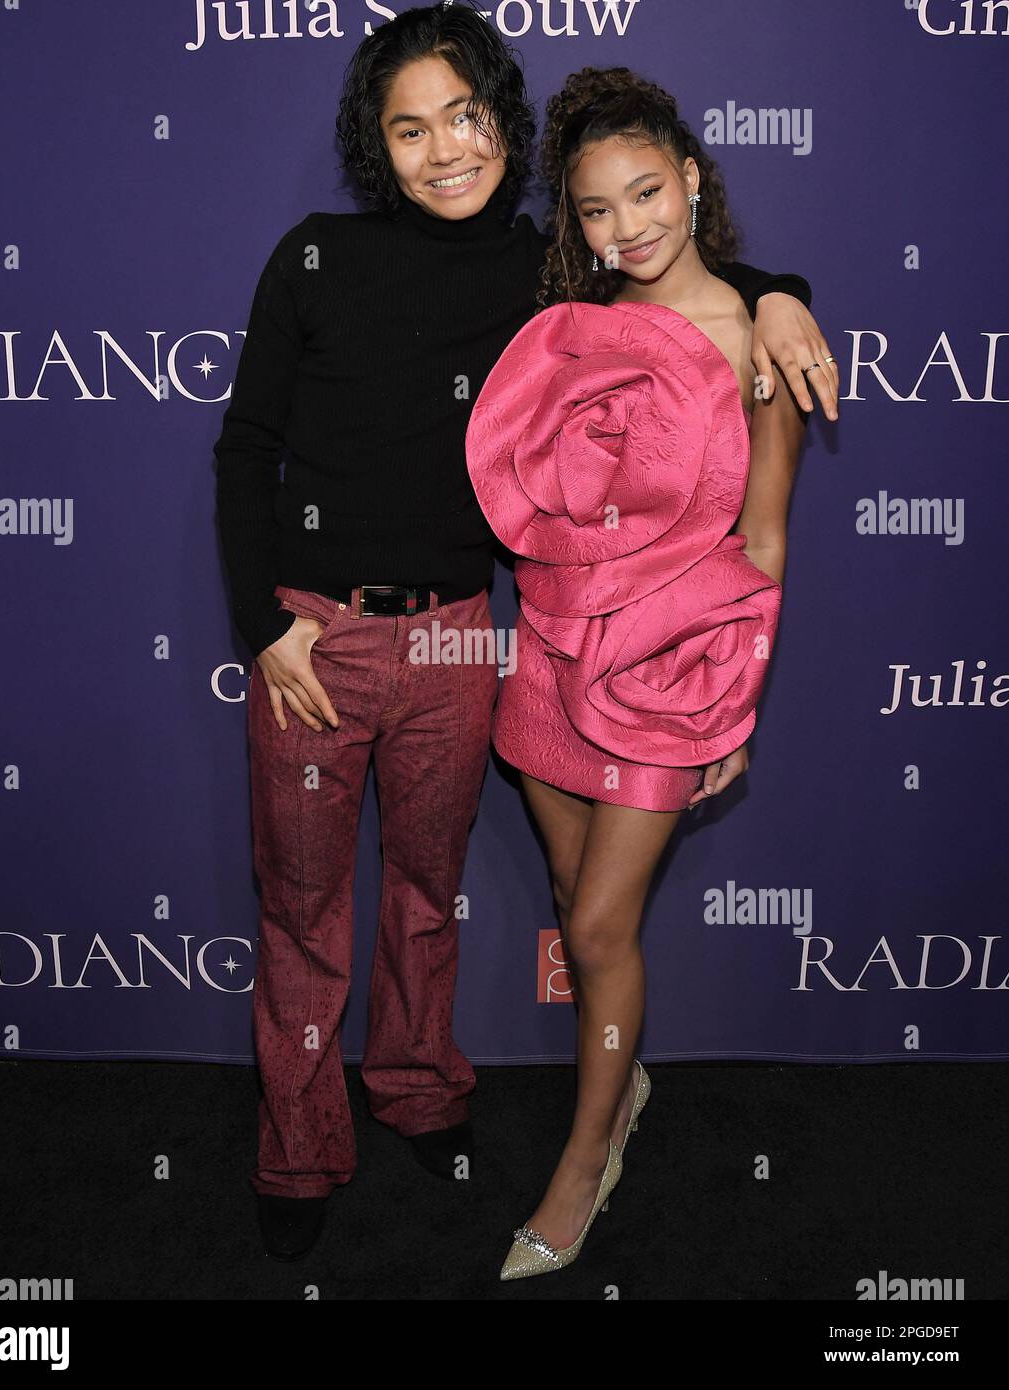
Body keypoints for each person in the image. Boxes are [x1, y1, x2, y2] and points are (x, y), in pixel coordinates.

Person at [213, 3, 834, 1262]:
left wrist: (779, 295)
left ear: (501, 123)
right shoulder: (318, 256)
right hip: (318, 647)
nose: (443, 149)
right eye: (409, 128)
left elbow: (684, 279)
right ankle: (297, 1147)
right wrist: (259, 627)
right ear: (373, 147)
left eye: (465, 116)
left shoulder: (537, 270)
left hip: (464, 642)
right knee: (302, 913)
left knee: (430, 898)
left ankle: (425, 1096)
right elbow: (245, 448)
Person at [465, 65, 815, 1280]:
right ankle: (625, 1068)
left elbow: (760, 539)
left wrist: (739, 700)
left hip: (670, 674)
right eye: (598, 209)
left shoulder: (758, 342)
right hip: (550, 644)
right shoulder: (573, 322)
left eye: (648, 193)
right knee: (575, 902)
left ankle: (586, 1154)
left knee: (603, 921)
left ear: (693, 182)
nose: (627, 228)